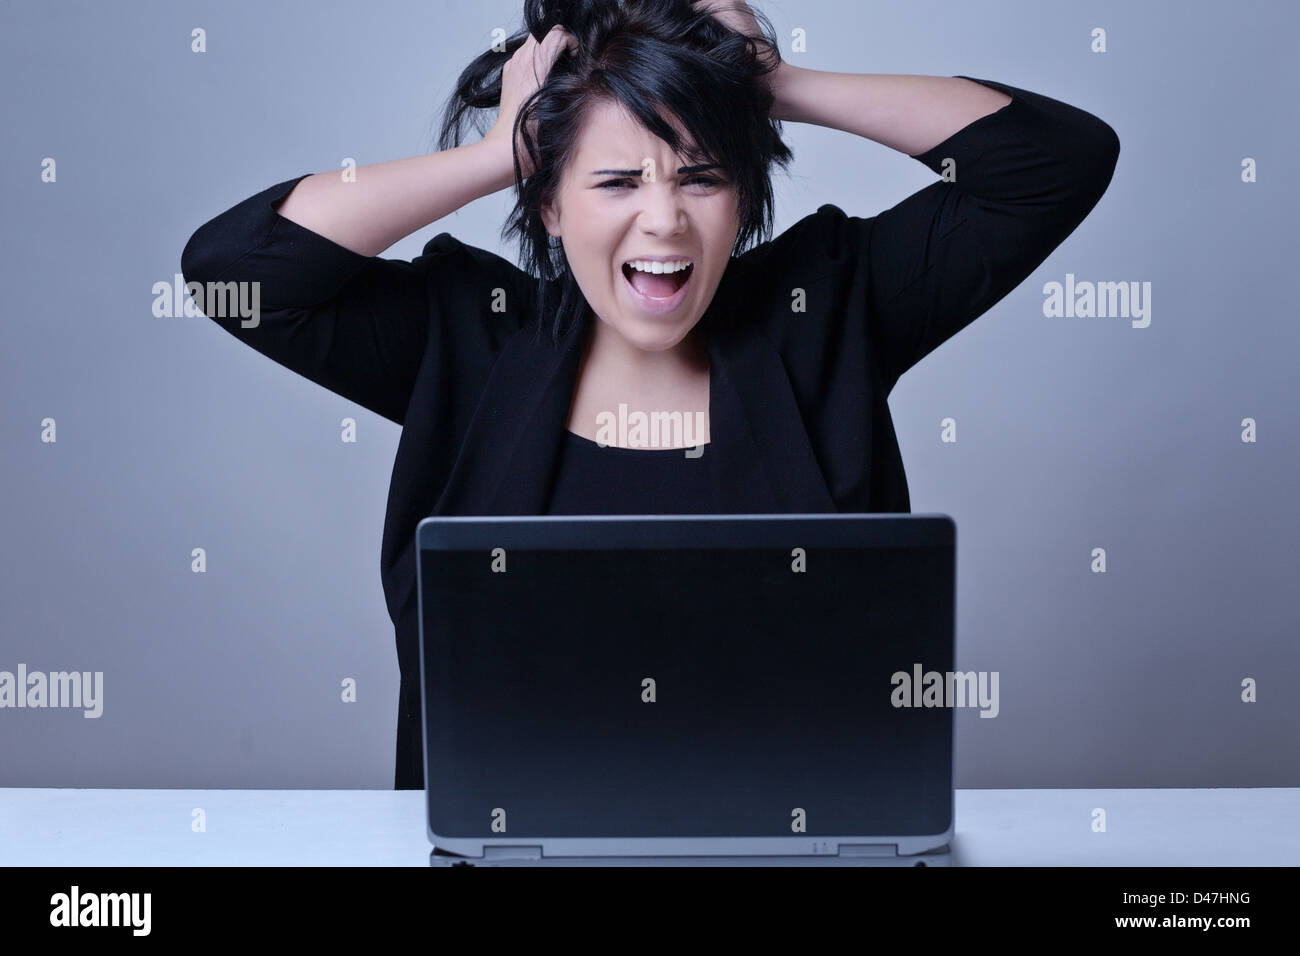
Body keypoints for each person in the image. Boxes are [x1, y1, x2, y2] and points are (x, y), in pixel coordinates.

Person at [180, 0, 1120, 789]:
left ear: (745, 198)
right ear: (550, 204)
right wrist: (499, 155)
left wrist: (768, 88)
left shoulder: (827, 305)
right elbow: (237, 269)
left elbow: (1055, 164)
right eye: (618, 179)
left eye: (702, 177)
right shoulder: (468, 341)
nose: (663, 217)